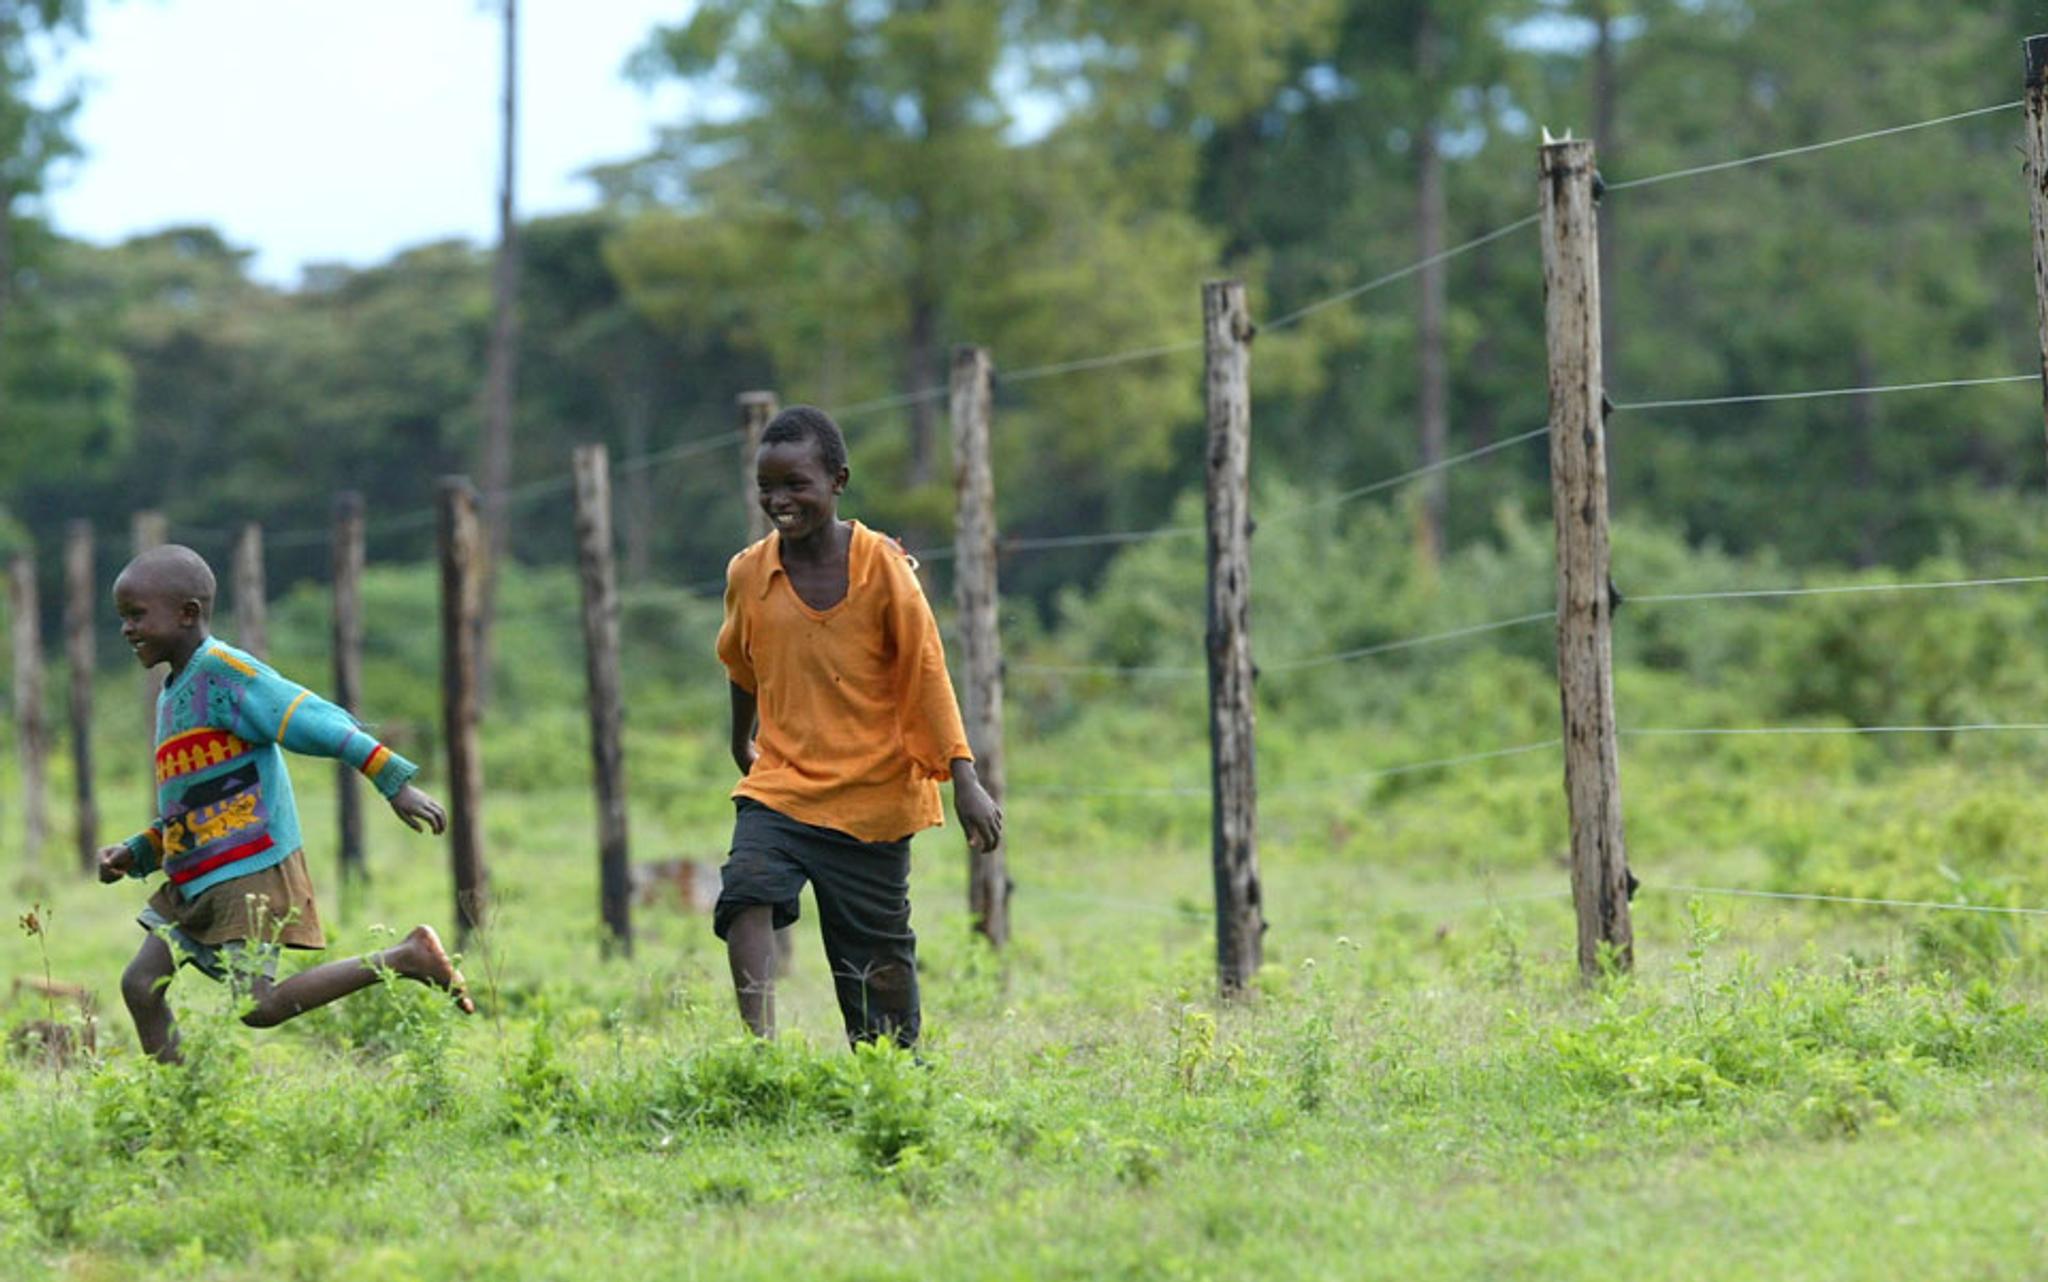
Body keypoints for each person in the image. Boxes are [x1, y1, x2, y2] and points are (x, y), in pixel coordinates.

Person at [99, 543, 472, 1063]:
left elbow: (307, 717)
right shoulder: (173, 693)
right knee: (141, 986)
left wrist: (388, 775)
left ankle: (407, 957)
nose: (127, 629)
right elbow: (194, 802)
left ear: (186, 614)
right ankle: (180, 1113)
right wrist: (138, 851)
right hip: (196, 875)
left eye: (137, 615)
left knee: (259, 1006)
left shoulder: (224, 673)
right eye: (122, 617)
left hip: (247, 872)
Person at [715, 405, 1001, 1048]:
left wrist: (965, 778)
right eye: (767, 487)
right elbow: (740, 661)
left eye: (796, 485)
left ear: (838, 480)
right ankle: (760, 1056)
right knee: (747, 890)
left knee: (878, 979)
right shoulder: (749, 573)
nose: (779, 500)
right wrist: (742, 739)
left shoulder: (884, 570)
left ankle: (892, 1076)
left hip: (875, 795)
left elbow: (927, 671)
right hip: (783, 783)